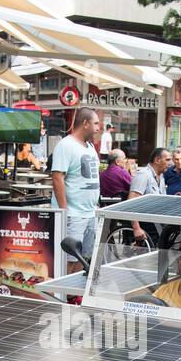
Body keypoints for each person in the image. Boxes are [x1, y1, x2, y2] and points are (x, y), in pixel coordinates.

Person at [50, 107, 102, 261]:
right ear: (85, 123)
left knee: (84, 259)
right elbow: (57, 177)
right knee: (69, 261)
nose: (98, 128)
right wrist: (64, 211)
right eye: (96, 123)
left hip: (90, 213)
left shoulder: (90, 146)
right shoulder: (66, 145)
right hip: (73, 215)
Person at [127, 147, 169, 242]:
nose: (170, 163)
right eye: (167, 160)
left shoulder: (161, 176)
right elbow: (131, 202)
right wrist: (136, 228)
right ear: (157, 160)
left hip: (158, 220)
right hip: (146, 222)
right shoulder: (143, 175)